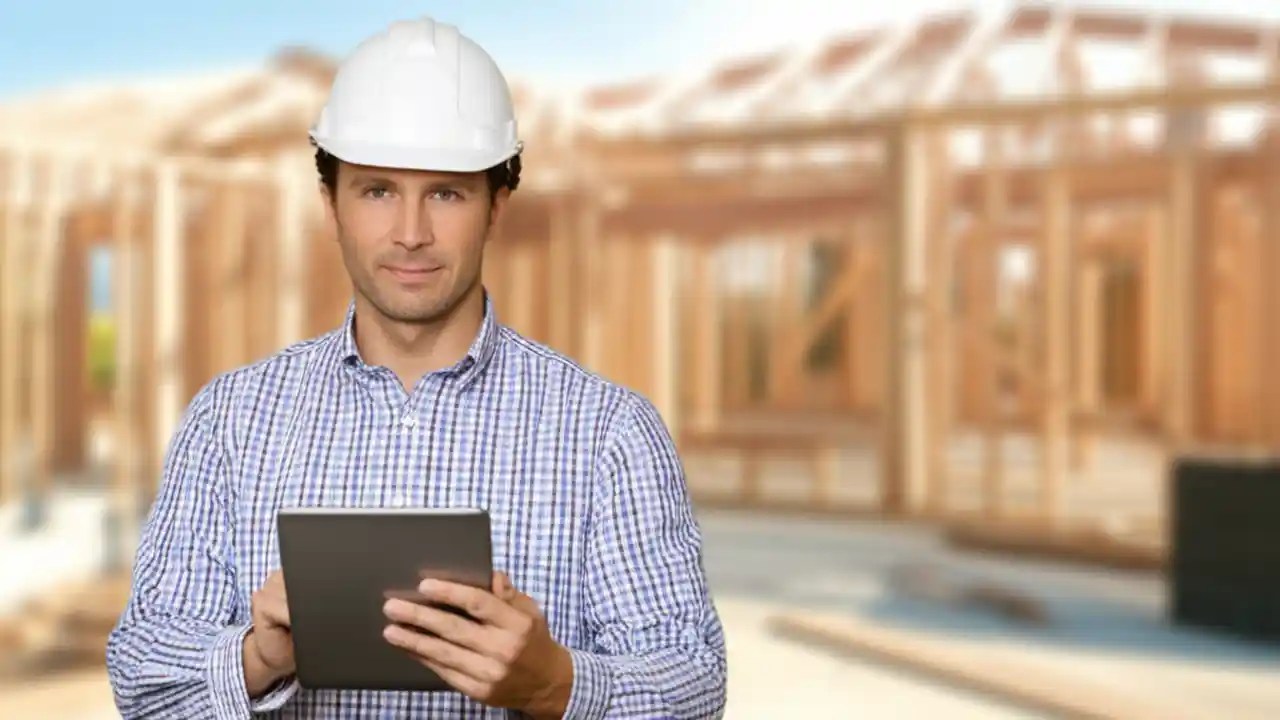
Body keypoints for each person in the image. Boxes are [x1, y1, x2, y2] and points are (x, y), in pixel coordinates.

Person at [105, 15, 727, 720]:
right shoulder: (231, 422)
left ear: (497, 206)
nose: (410, 233)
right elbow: (142, 678)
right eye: (376, 191)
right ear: (330, 204)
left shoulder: (610, 434)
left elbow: (694, 686)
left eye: (446, 193)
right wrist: (259, 658)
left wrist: (554, 684)